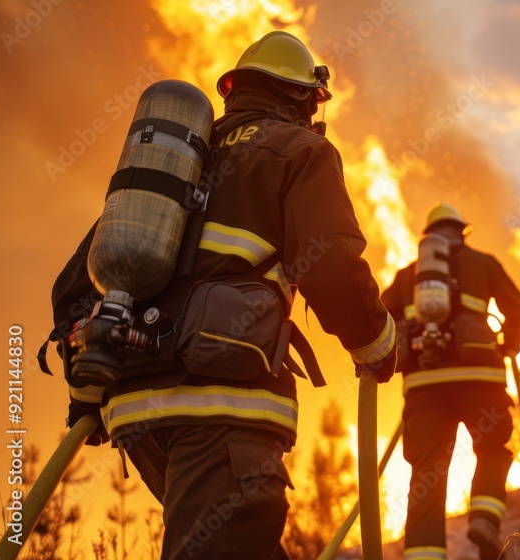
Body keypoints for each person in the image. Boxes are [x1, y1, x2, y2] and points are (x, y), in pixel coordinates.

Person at [49, 31, 396, 559]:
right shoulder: (300, 149)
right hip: (222, 406)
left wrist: (86, 381)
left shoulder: (174, 158)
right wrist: (377, 343)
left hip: (138, 415)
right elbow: (331, 264)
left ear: (236, 92)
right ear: (303, 98)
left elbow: (75, 285)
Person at [381, 203, 520, 560]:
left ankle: (423, 555)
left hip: (425, 386)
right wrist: (509, 343)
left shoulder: (408, 276)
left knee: (426, 474)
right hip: (481, 379)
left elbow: (379, 319)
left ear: (427, 236)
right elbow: (518, 306)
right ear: (462, 232)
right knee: (492, 449)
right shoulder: (484, 263)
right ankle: (484, 519)